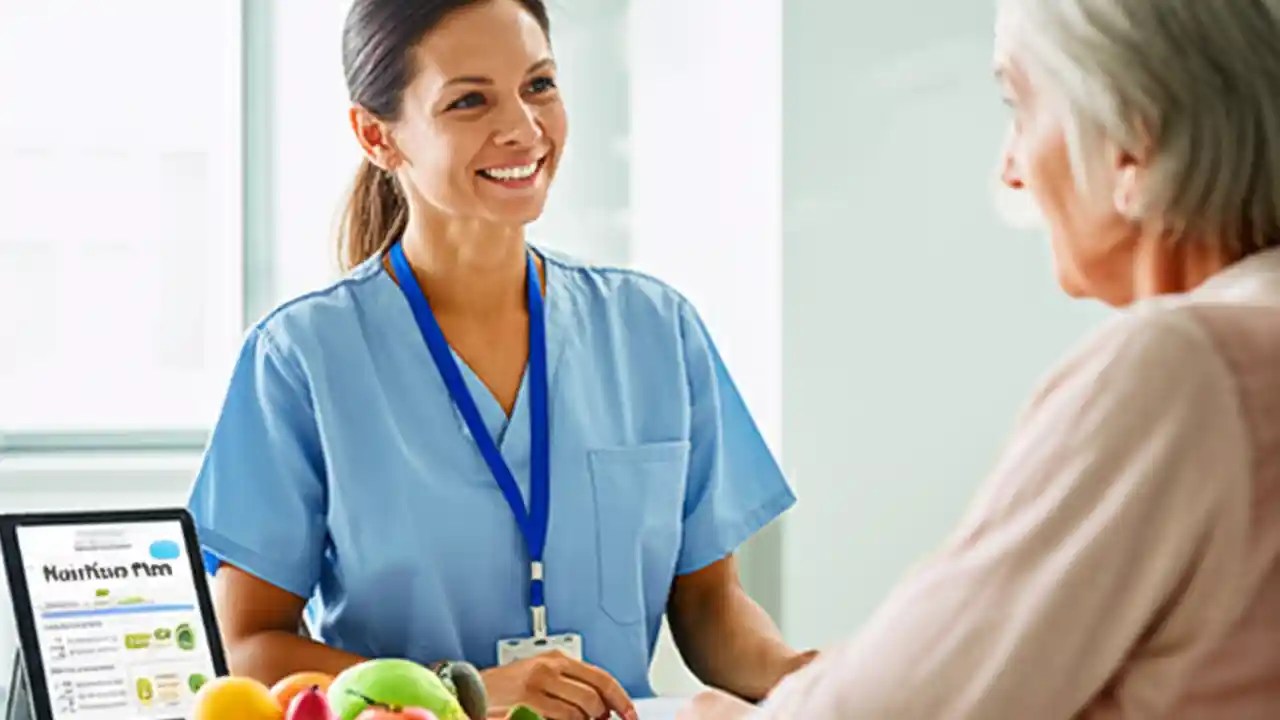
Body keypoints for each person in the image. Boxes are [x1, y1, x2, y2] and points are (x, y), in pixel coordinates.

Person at [186, 1, 814, 718]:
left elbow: (710, 605)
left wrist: (809, 677)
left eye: (539, 85)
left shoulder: (655, 330)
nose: (522, 127)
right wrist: (464, 691)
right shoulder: (300, 359)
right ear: (377, 135)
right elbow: (249, 645)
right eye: (469, 100)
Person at [681, 0, 1280, 718]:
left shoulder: (1184, 367)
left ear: (1133, 139)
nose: (1011, 168)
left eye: (1019, 107)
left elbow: (902, 708)